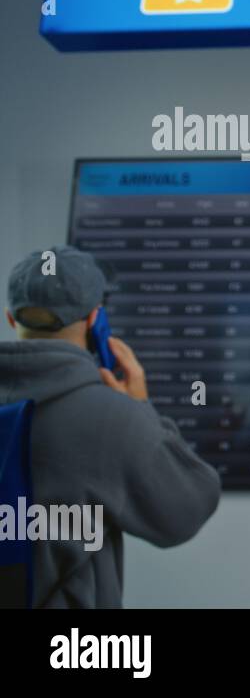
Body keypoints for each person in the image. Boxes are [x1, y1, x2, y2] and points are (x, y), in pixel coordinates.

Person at [0, 245, 221, 608]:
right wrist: (140, 409)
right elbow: (187, 509)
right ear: (94, 321)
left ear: (11, 318)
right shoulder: (112, 417)